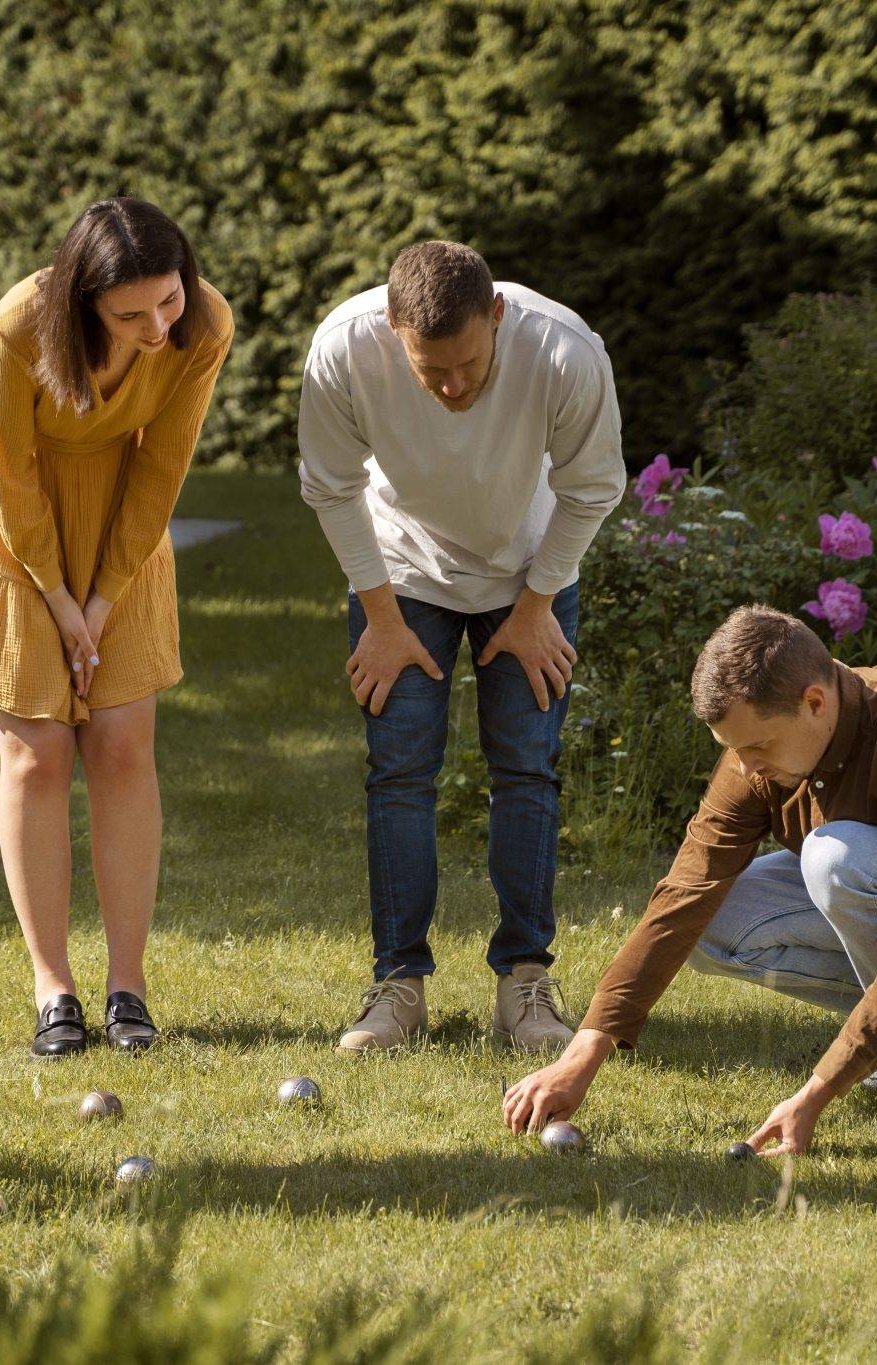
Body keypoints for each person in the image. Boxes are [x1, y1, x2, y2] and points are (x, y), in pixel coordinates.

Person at [503, 604, 877, 1147]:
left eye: (756, 747)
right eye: (732, 748)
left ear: (814, 702)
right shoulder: (764, 746)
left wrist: (818, 1091)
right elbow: (687, 891)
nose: (744, 767)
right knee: (713, 922)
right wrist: (586, 1049)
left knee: (836, 860)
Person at [298, 240, 626, 1055]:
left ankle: (525, 984)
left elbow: (593, 486)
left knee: (526, 765)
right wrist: (380, 617)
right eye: (430, 368)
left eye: (470, 364)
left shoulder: (563, 350)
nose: (453, 386)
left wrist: (538, 601)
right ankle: (398, 986)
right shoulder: (344, 348)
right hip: (402, 574)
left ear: (498, 317)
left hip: (529, 572)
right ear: (391, 325)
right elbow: (331, 486)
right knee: (400, 769)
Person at [0, 198, 234, 1058]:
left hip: (121, 524)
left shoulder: (203, 326)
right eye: (130, 313)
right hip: (12, 521)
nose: (155, 327)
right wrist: (59, 601)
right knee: (36, 750)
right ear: (82, 300)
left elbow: (163, 464)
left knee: (123, 743)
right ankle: (53, 987)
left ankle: (128, 986)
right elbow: (9, 466)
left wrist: (100, 600)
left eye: (167, 301)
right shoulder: (20, 325)